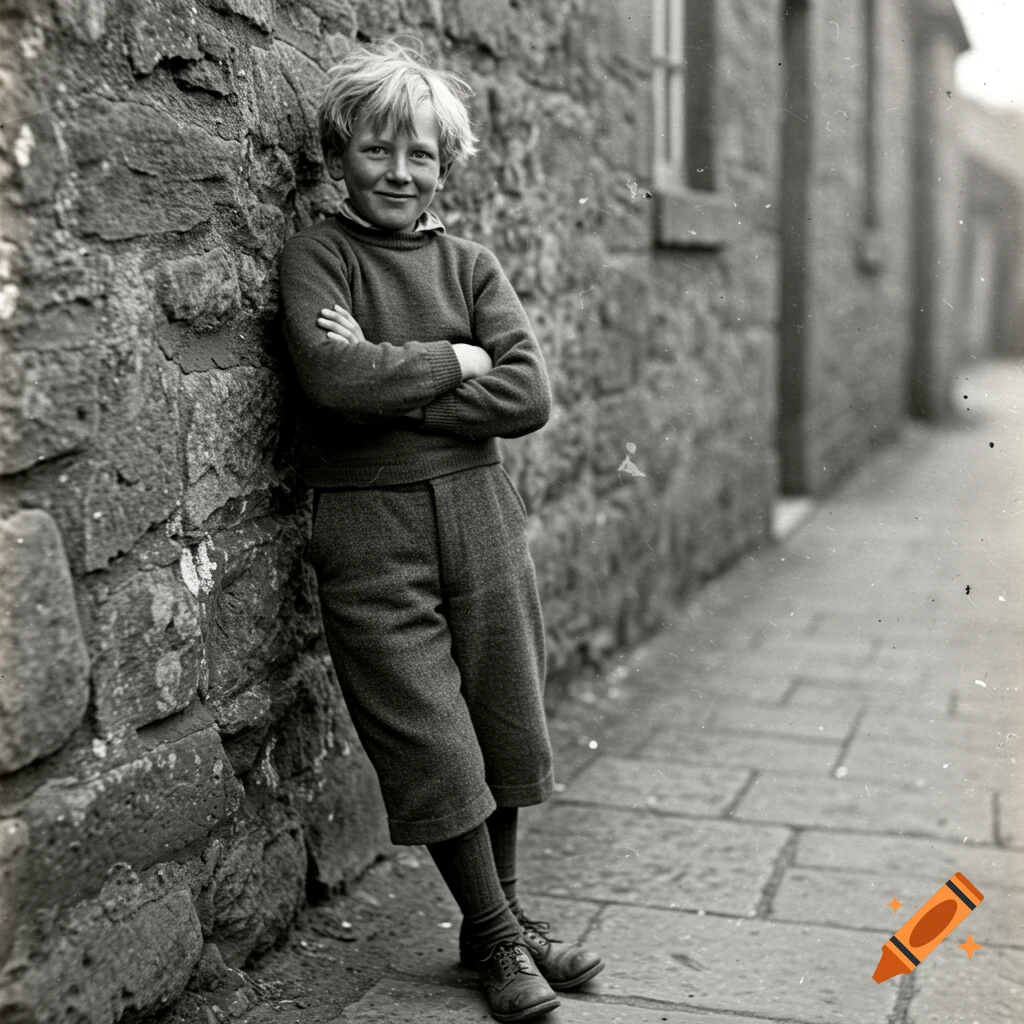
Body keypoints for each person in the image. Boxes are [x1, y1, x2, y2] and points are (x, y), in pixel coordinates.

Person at [277, 40, 603, 1023]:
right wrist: (458, 359)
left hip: (478, 508)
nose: (399, 172)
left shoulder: (469, 262)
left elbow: (528, 391)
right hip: (367, 524)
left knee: (504, 713)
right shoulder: (317, 257)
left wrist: (400, 373)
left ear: (444, 166)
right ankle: (502, 938)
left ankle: (489, 923)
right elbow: (333, 385)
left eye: (420, 155)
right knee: (430, 732)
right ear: (340, 157)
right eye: (378, 151)